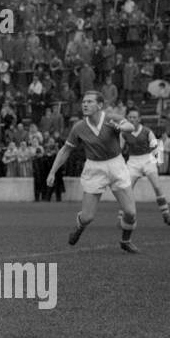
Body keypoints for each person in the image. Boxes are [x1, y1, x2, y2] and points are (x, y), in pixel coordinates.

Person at [46, 91, 140, 253]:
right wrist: (52, 172)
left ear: (100, 105)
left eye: (89, 102)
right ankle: (79, 226)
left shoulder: (111, 118)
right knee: (88, 217)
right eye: (84, 102)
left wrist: (120, 127)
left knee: (130, 212)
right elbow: (65, 150)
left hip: (116, 165)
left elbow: (130, 126)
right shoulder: (79, 127)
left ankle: (125, 241)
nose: (85, 104)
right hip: (94, 168)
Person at [122, 107, 170, 225]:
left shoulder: (147, 131)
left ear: (139, 119)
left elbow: (156, 146)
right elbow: (119, 150)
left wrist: (159, 163)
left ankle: (166, 214)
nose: (132, 119)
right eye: (130, 117)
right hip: (133, 161)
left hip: (147, 159)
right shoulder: (124, 133)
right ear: (127, 119)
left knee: (157, 186)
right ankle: (123, 215)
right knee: (127, 190)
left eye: (134, 117)